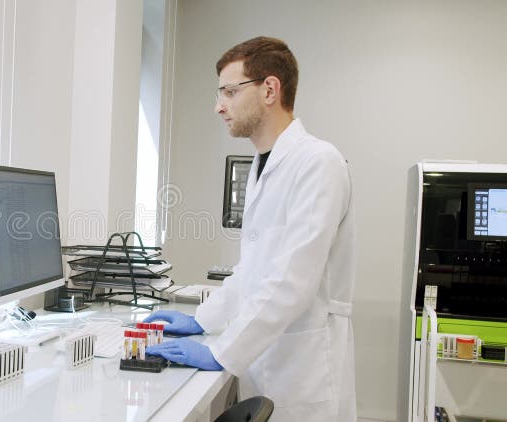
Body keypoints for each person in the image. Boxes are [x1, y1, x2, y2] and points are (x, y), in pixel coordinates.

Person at [144, 36, 356, 421]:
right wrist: (200, 321)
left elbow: (293, 280)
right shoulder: (263, 164)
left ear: (270, 89)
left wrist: (220, 352)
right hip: (268, 360)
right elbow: (254, 271)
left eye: (228, 91)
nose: (218, 106)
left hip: (303, 369)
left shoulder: (318, 163)